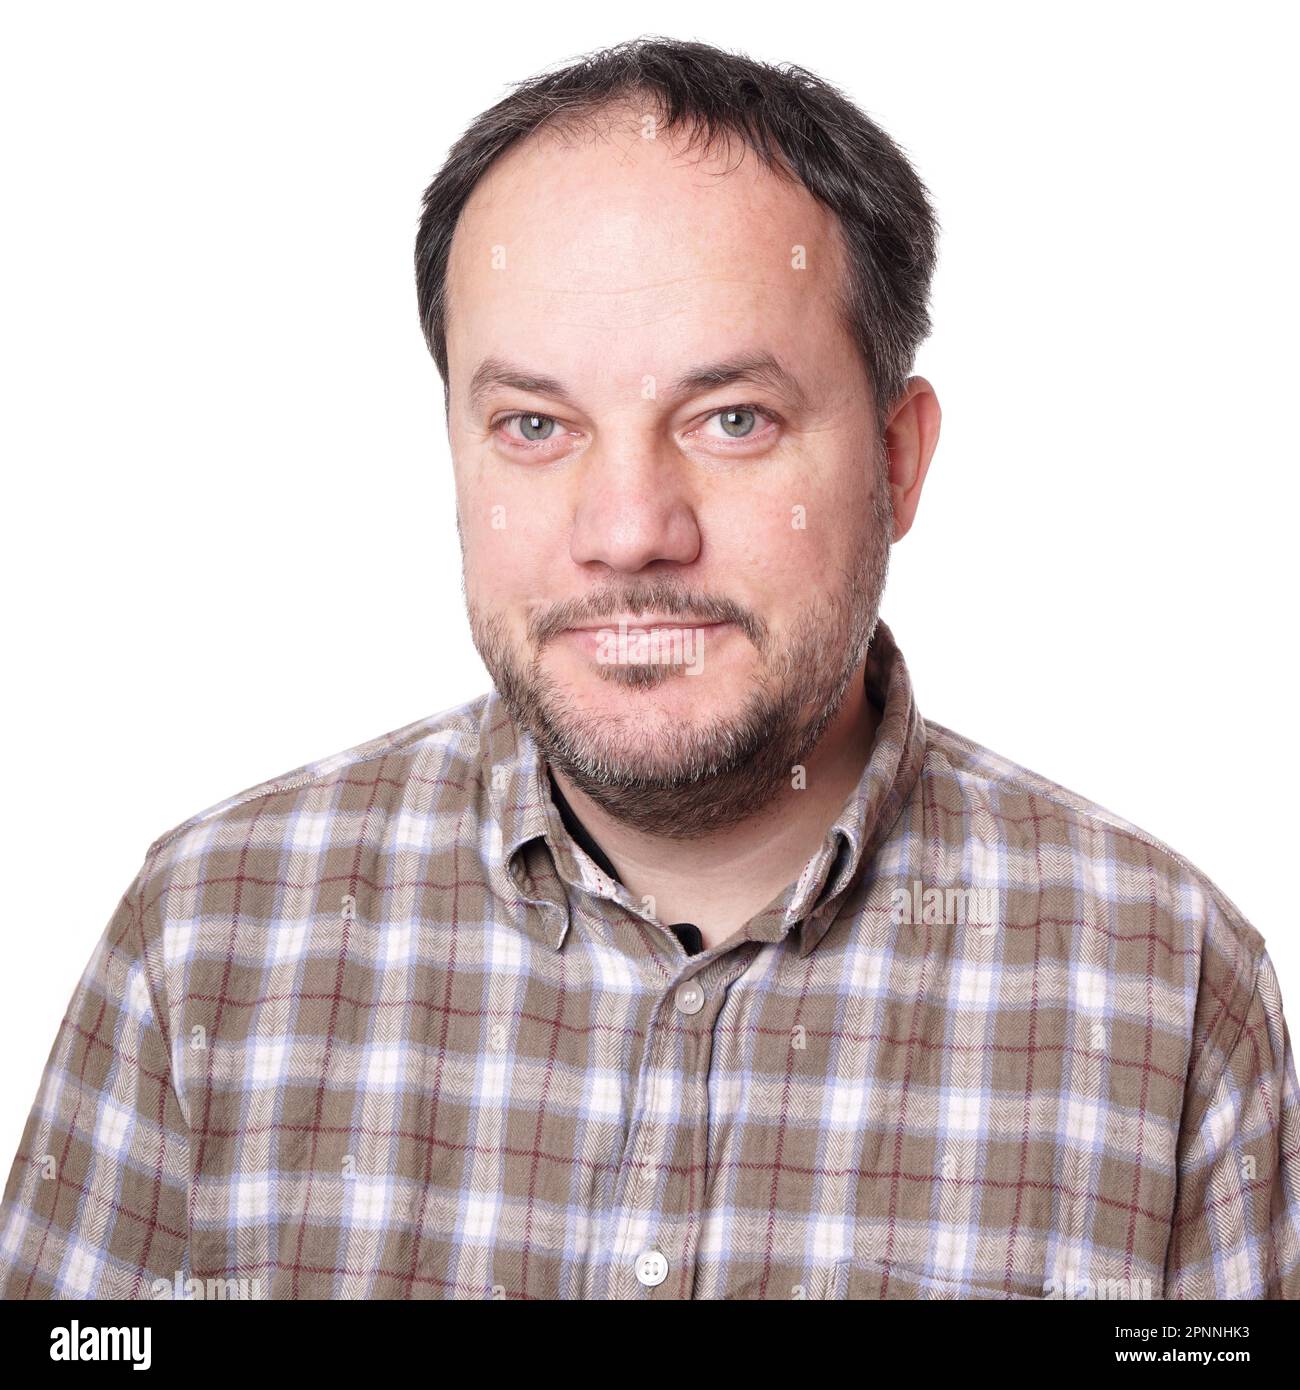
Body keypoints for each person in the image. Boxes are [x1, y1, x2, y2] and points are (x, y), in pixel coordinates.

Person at [2, 35, 1297, 1301]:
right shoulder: (211, 933)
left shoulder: (1163, 982)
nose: (628, 529)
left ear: (897, 461)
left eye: (731, 419)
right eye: (535, 424)